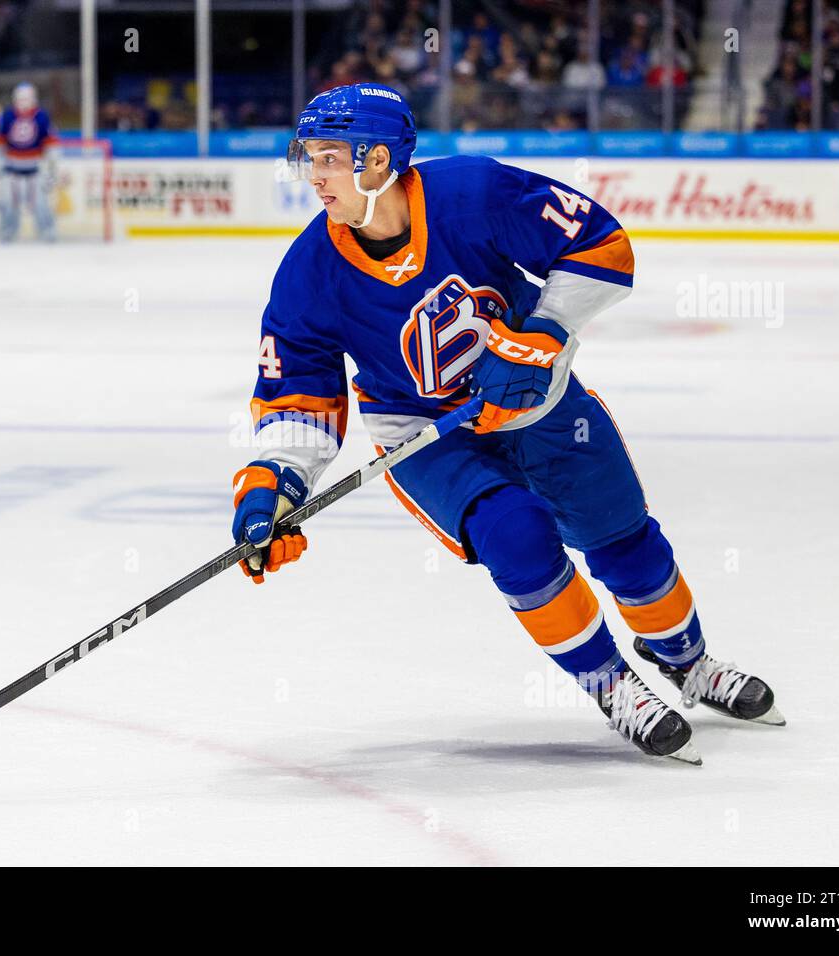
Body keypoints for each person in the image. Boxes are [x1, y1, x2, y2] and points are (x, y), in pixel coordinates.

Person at [230, 84, 784, 763]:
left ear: (378, 161)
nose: (312, 176)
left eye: (327, 158)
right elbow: (297, 392)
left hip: (540, 406)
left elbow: (599, 243)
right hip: (424, 434)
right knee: (516, 537)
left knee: (627, 547)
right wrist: (272, 485)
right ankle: (613, 687)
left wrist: (545, 333)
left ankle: (690, 665)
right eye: (307, 158)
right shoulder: (308, 274)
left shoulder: (473, 192)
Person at [0, 82, 57, 242]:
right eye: (20, 99)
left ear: (34, 99)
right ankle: (7, 232)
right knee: (8, 203)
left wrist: (51, 167)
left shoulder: (42, 116)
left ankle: (47, 231)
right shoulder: (8, 115)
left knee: (41, 205)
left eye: (27, 99)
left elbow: (50, 144)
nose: (24, 103)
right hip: (11, 169)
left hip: (35, 169)